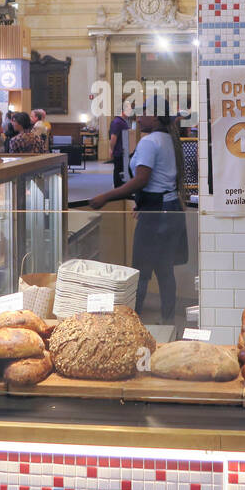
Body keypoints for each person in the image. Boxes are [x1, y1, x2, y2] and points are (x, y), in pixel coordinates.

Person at [88, 98, 188, 330]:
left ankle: (133, 323)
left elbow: (141, 180)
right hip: (170, 208)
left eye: (142, 113)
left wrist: (105, 197)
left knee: (141, 271)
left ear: (154, 116)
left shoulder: (149, 142)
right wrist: (141, 203)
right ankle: (168, 321)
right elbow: (158, 182)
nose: (137, 117)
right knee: (165, 270)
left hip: (157, 214)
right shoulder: (168, 139)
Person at [109, 106, 131, 188]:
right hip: (120, 152)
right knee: (119, 172)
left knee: (122, 172)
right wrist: (111, 149)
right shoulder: (118, 122)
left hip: (123, 152)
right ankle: (118, 189)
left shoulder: (122, 121)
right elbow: (113, 137)